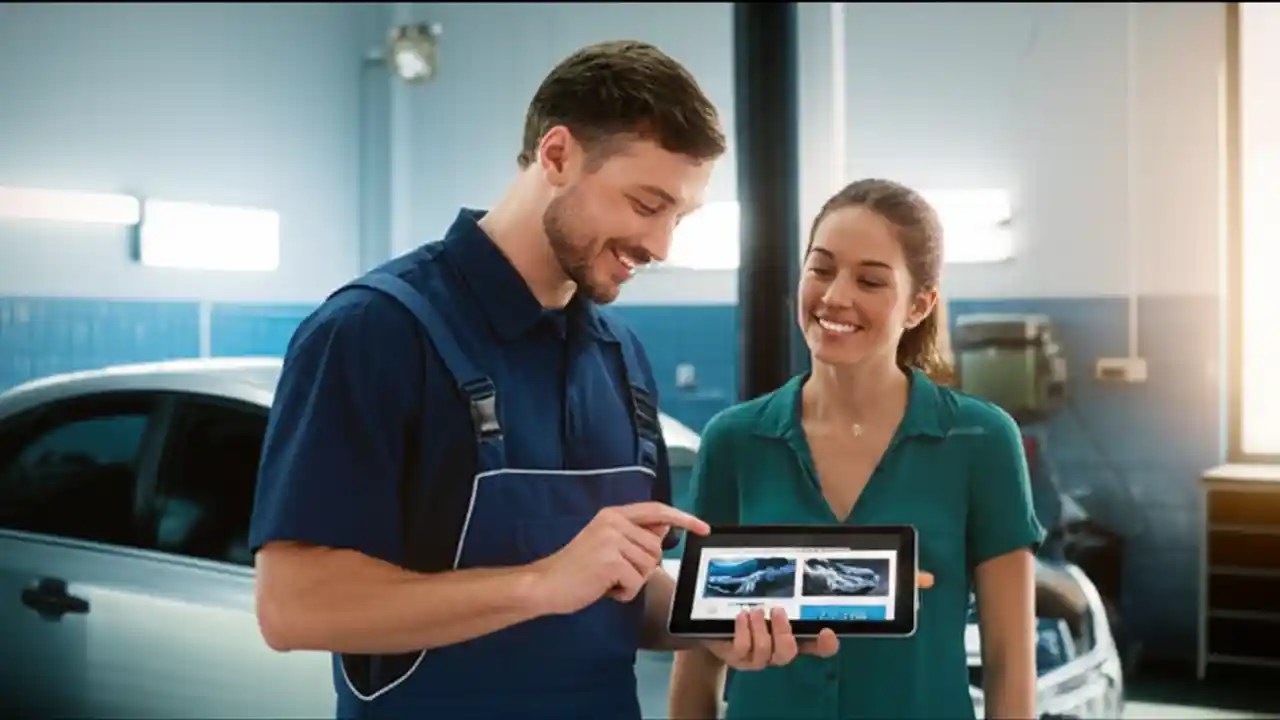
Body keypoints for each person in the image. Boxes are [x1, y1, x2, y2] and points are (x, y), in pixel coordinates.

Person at [248, 40, 831, 720]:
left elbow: (615, 588)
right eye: (646, 204)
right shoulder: (372, 333)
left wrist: (716, 622)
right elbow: (293, 606)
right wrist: (542, 583)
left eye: (678, 217)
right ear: (556, 156)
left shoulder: (620, 356)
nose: (661, 245)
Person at [668, 178, 1045, 720]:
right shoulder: (734, 441)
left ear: (919, 305)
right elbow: (698, 657)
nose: (835, 296)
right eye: (821, 269)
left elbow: (1010, 663)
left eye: (870, 280)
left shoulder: (981, 441)